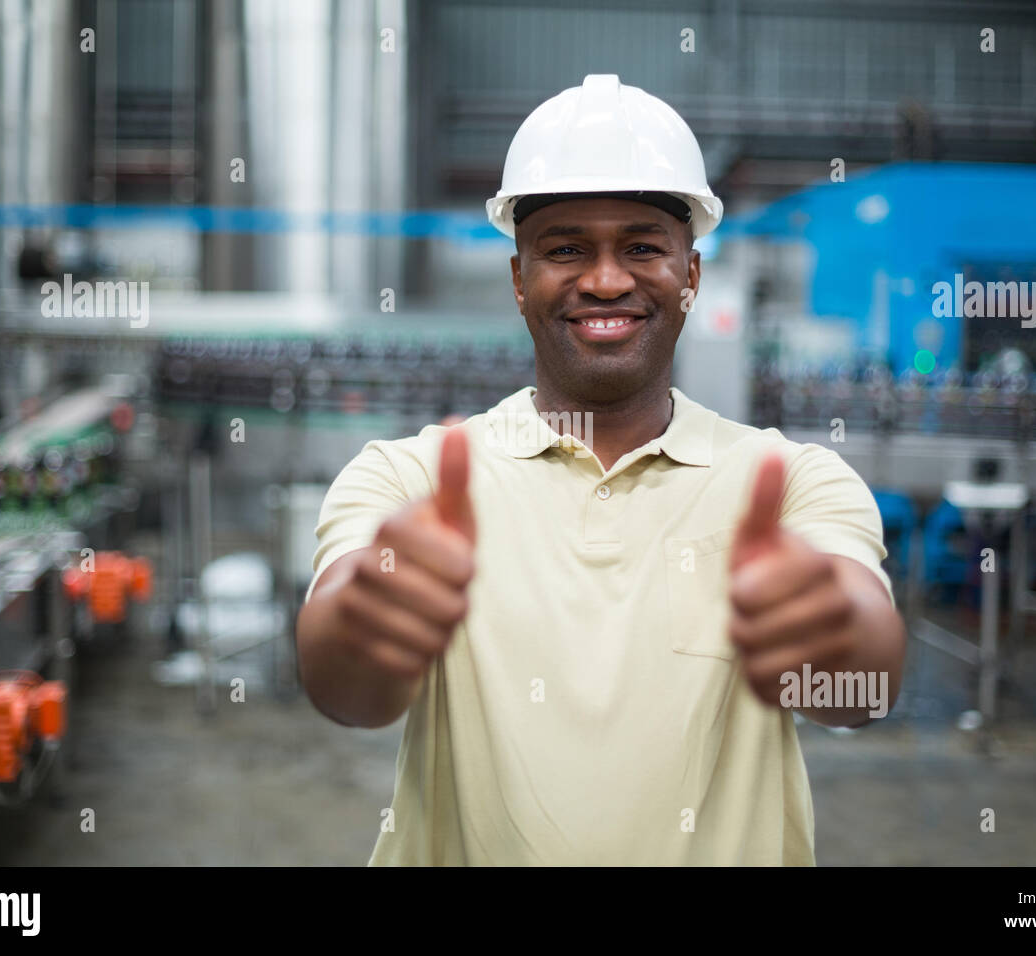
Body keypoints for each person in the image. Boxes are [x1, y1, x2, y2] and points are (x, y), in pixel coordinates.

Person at [295, 75, 905, 865]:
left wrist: (829, 634)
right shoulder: (409, 481)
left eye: (644, 246)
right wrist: (368, 625)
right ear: (520, 280)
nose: (607, 279)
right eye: (566, 248)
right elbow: (346, 693)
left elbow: (861, 692)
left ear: (692, 275)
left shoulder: (790, 484)